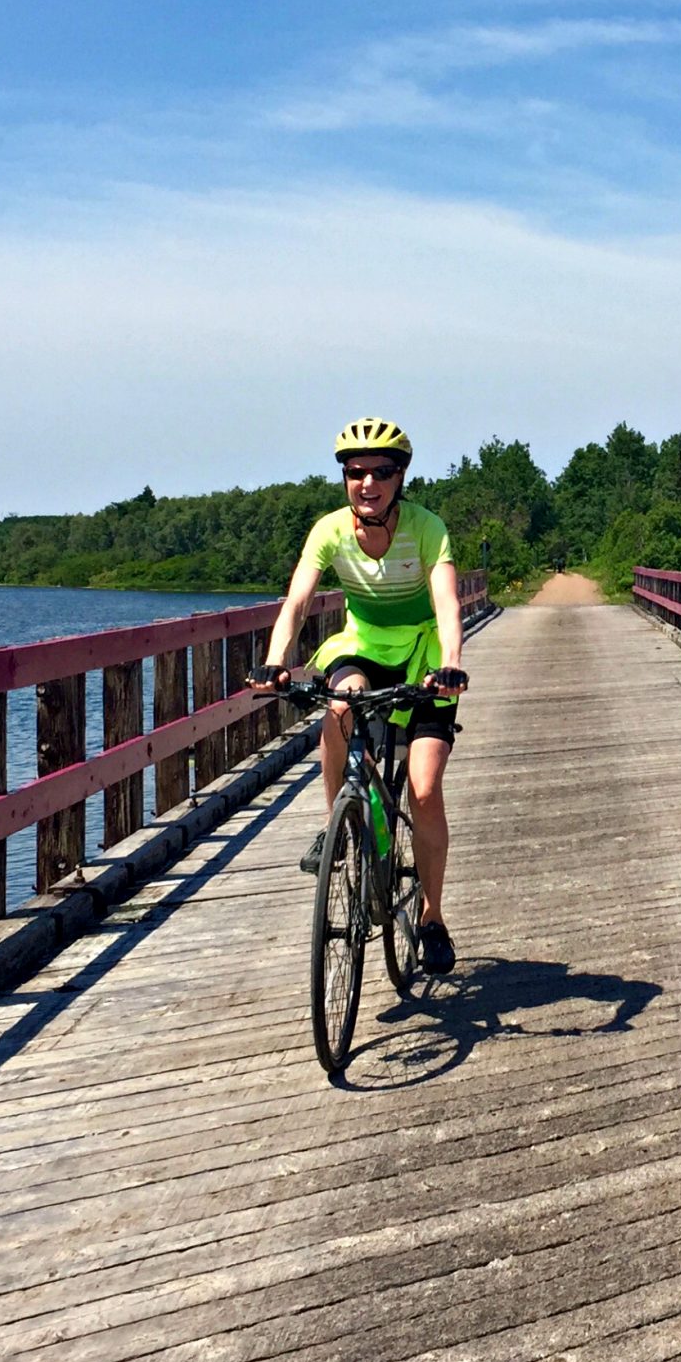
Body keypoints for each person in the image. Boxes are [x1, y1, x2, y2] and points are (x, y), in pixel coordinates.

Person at [258, 417, 469, 975]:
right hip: (363, 645)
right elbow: (298, 601)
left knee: (423, 789)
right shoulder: (328, 530)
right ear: (345, 478)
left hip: (425, 658)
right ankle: (338, 824)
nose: (367, 483)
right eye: (355, 473)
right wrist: (276, 661)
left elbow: (447, 604)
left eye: (380, 472)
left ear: (400, 476)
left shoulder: (427, 529)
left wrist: (451, 665)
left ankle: (431, 915)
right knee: (340, 705)